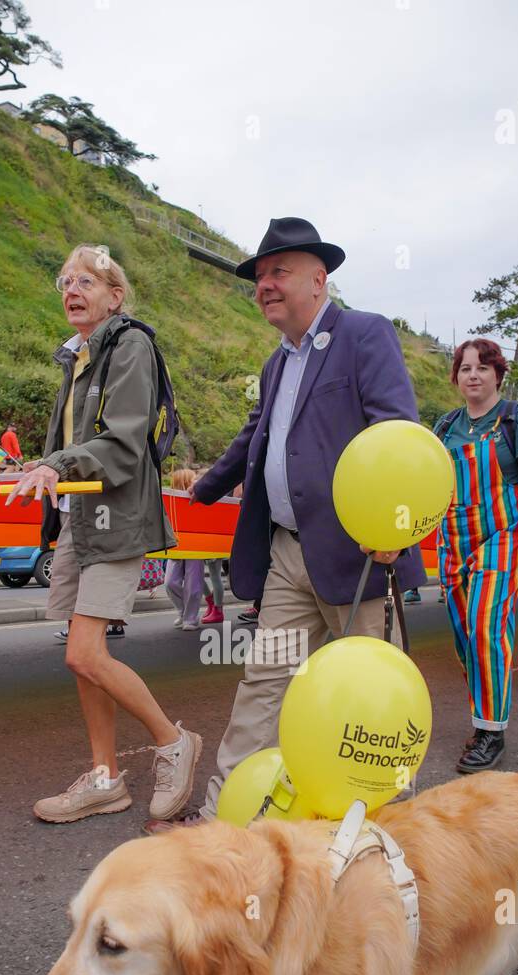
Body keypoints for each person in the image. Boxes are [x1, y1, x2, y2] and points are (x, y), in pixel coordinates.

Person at [145, 216, 423, 832]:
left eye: (280, 271)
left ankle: (390, 831)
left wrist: (394, 525)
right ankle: (223, 821)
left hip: (358, 557)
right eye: (260, 276)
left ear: (319, 279)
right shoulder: (277, 363)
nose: (265, 284)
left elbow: (396, 432)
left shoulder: (364, 335)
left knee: (371, 704)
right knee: (263, 683)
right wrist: (202, 494)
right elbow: (256, 437)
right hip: (289, 557)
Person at [5, 244, 201, 822]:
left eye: (87, 280)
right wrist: (44, 469)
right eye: (65, 279)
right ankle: (105, 777)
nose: (72, 288)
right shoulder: (78, 357)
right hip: (77, 521)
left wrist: (57, 466)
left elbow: (123, 440)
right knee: (80, 658)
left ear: (115, 295)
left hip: (113, 518)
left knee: (86, 653)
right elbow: (68, 445)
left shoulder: (129, 344)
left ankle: (172, 742)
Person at [434, 340, 518, 771]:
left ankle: (490, 733)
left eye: (483, 367)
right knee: (466, 639)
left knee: (486, 626)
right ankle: (485, 717)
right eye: (465, 368)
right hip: (452, 543)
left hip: (503, 538)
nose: (473, 375)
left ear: (498, 374)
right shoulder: (445, 427)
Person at [164, 467, 205, 629]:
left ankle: (190, 618)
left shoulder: (201, 499)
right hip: (176, 544)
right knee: (170, 583)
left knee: (193, 584)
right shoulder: (171, 501)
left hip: (196, 545)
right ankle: (183, 612)